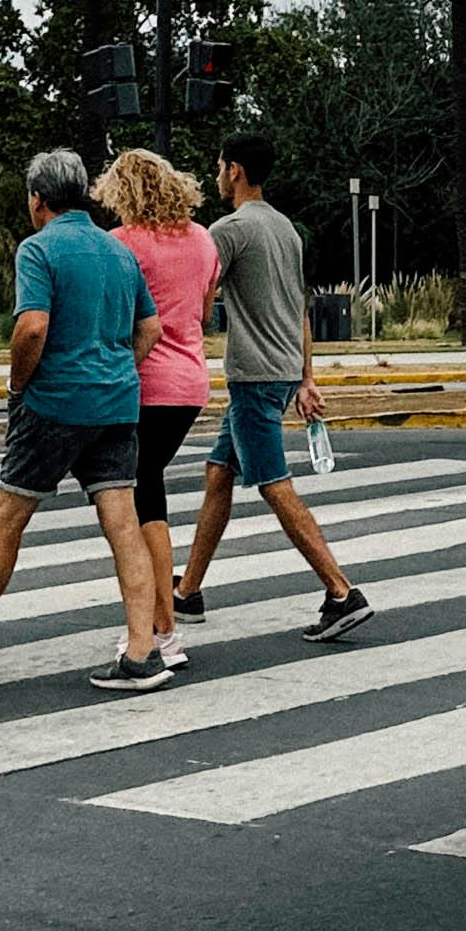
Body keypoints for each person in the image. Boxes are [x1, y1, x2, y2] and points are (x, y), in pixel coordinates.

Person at [0, 147, 171, 695]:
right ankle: (142, 651)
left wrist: (19, 383)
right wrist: (116, 369)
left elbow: (31, 330)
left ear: (37, 200)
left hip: (53, 405)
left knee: (6, 518)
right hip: (116, 404)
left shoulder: (39, 249)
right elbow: (151, 329)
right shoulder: (118, 252)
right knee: (123, 524)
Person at [172, 129, 372, 643]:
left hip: (253, 376)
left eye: (220, 166)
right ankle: (188, 591)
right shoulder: (286, 229)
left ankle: (341, 592)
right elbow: (300, 306)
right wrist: (306, 377)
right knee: (219, 473)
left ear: (234, 170)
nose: (218, 174)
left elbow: (197, 299)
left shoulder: (230, 230)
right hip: (282, 371)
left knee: (273, 483)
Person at [95, 144, 219, 674]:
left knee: (142, 501)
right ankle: (161, 626)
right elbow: (206, 309)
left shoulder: (120, 244)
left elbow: (113, 315)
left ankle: (162, 629)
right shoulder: (204, 239)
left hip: (143, 383)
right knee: (152, 492)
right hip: (190, 382)